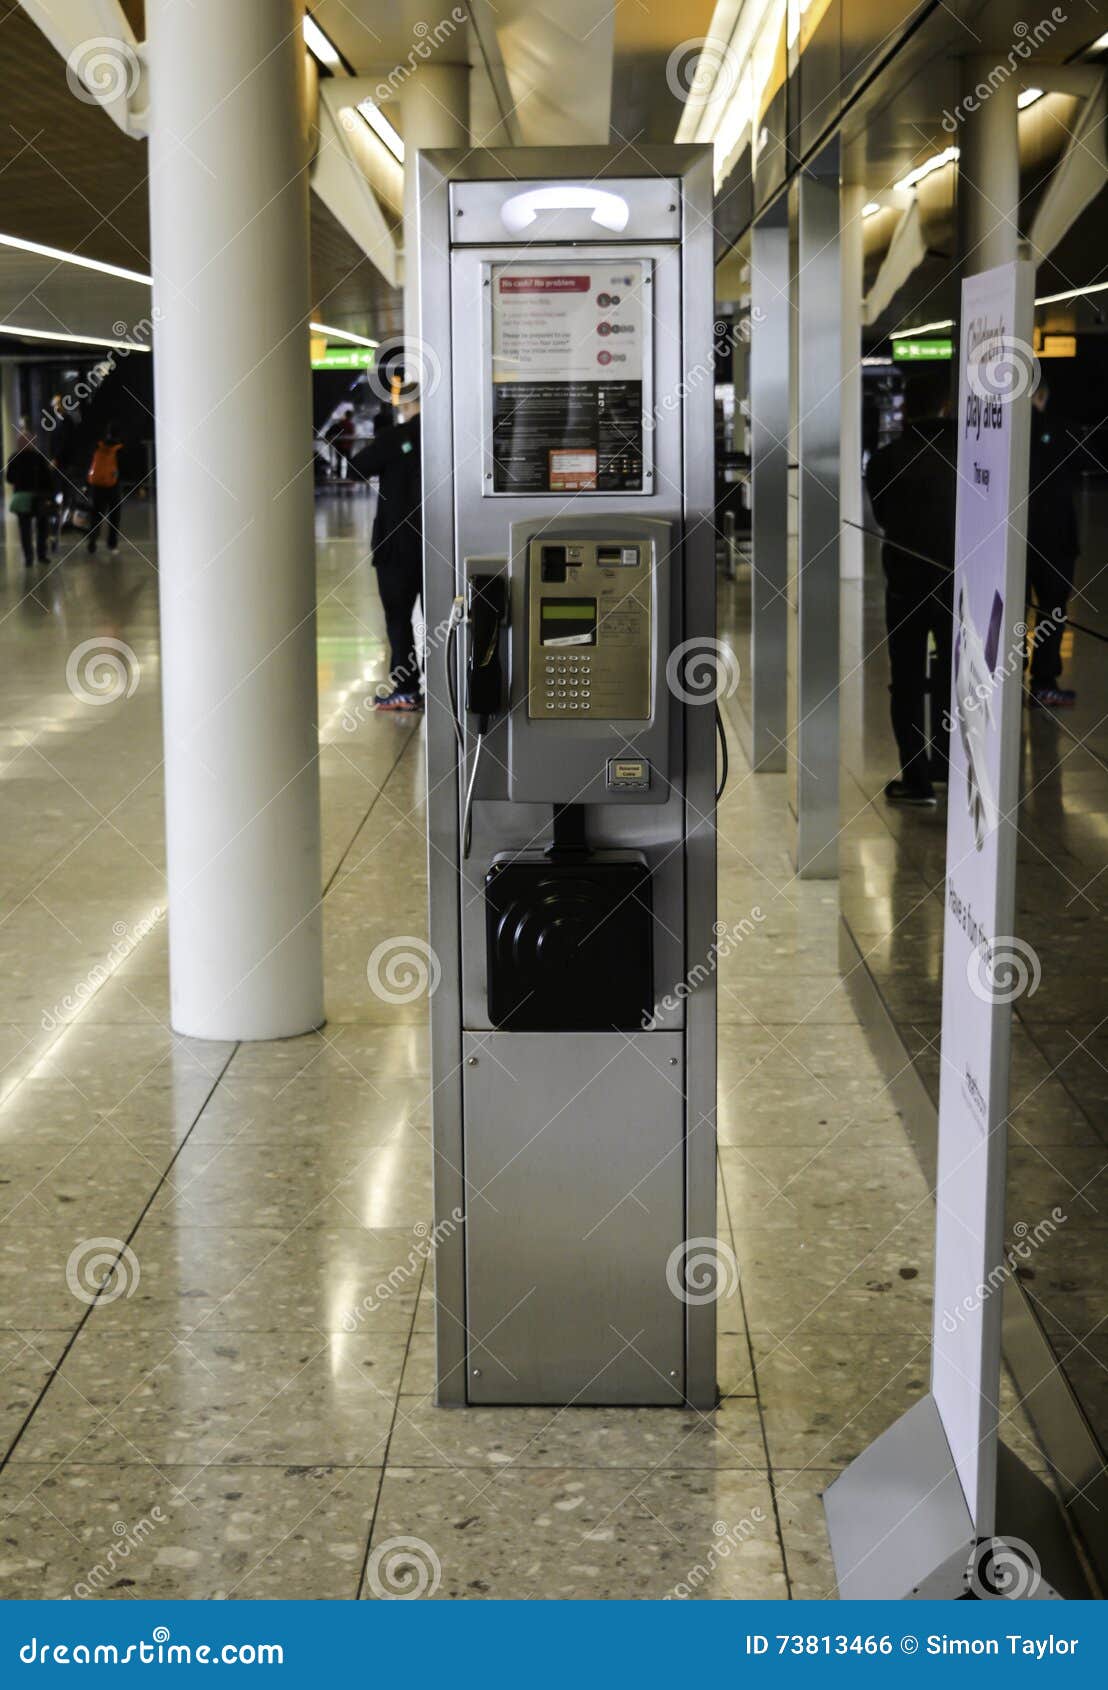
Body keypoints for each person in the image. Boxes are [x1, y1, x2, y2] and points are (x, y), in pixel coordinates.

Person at [865, 369, 958, 807]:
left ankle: (915, 780)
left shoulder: (886, 458)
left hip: (905, 584)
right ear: (945, 405)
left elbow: (882, 517)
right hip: (957, 583)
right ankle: (946, 763)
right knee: (950, 674)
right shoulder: (966, 453)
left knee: (905, 681)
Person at [351, 382, 423, 711]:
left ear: (405, 405)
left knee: (399, 618)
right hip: (442, 542)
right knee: (449, 616)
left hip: (397, 546)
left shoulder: (398, 438)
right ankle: (455, 683)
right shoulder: (449, 434)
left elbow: (357, 468)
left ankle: (406, 688)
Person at [1026, 381, 1080, 707]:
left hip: (1017, 537)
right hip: (1055, 539)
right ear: (1042, 395)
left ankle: (1008, 676)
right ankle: (1044, 682)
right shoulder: (1060, 431)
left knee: (1012, 610)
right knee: (1052, 611)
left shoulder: (1003, 434)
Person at [6, 423, 54, 569]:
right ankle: (42, 555)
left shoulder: (14, 458)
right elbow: (48, 479)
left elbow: (9, 479)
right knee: (42, 527)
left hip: (21, 498)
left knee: (25, 529)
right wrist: (49, 496)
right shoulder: (39, 458)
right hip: (38, 497)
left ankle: (28, 558)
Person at [86, 424, 124, 555]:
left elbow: (90, 462)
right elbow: (122, 468)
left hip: (97, 486)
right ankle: (112, 544)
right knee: (114, 516)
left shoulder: (98, 445)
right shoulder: (119, 448)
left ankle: (92, 541)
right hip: (113, 486)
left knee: (96, 515)